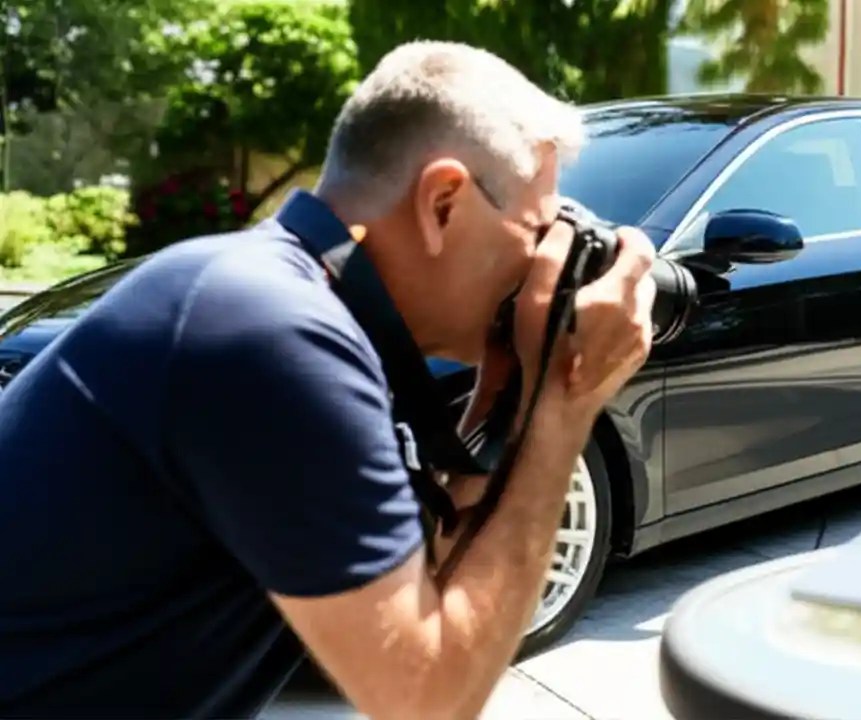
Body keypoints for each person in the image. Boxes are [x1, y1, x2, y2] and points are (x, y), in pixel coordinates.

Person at [0, 41, 656, 719]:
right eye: (538, 230)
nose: (542, 263)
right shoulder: (270, 330)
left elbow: (430, 596)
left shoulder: (289, 300)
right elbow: (427, 698)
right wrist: (566, 403)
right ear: (444, 202)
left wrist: (507, 396)